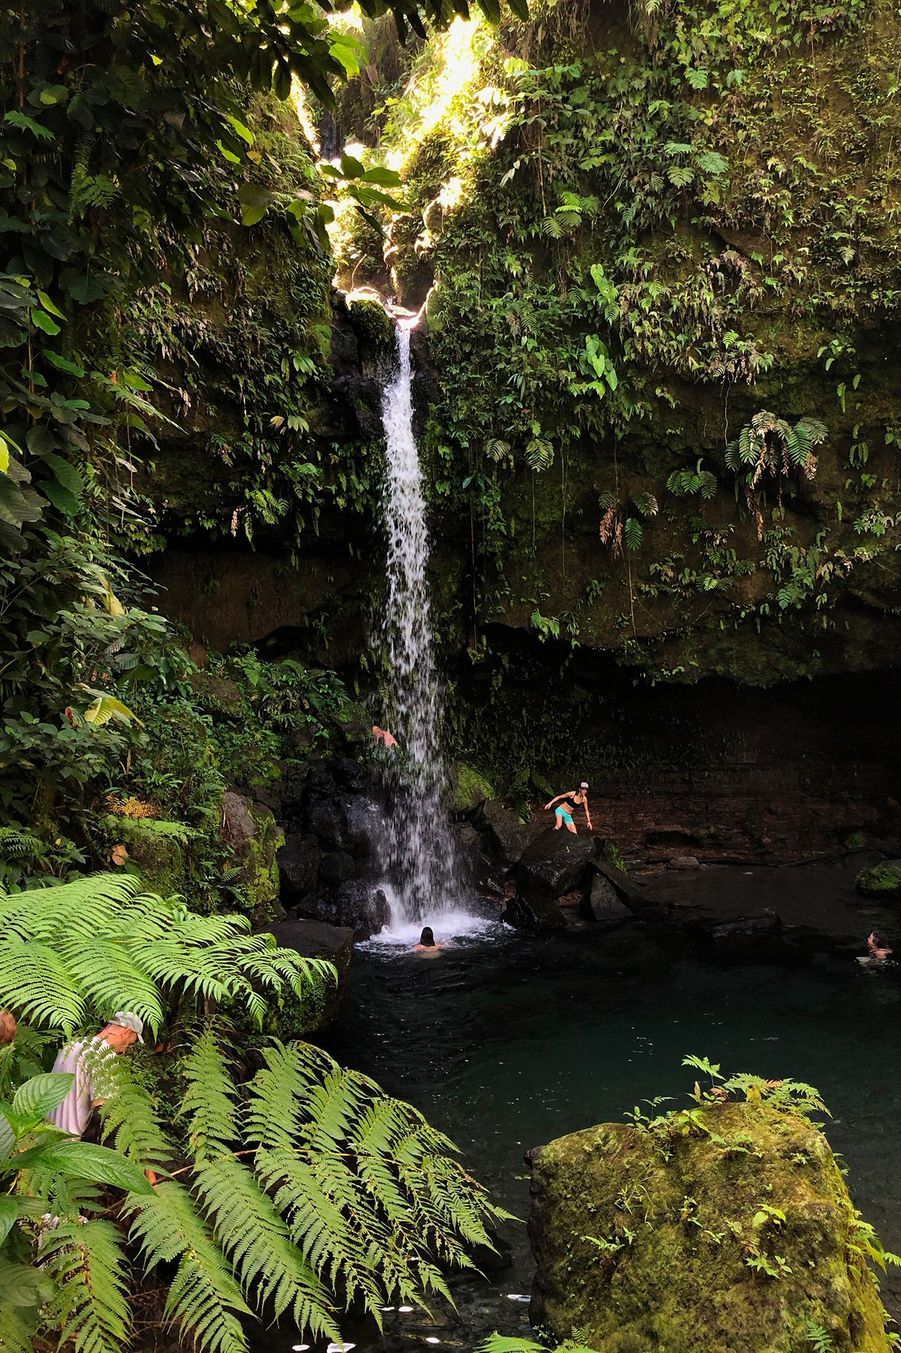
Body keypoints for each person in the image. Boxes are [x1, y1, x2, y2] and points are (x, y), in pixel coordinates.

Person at [47, 1011, 144, 1140]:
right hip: (72, 1145)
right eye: (129, 1043)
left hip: (48, 1137)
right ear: (126, 1032)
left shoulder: (72, 1045)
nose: (125, 1050)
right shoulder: (105, 1055)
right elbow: (102, 1111)